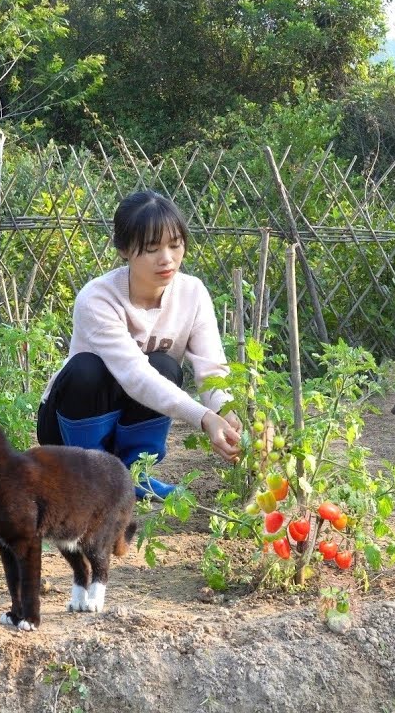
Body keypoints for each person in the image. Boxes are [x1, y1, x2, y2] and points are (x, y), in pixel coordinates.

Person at [36, 190, 243, 499]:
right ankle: (87, 476)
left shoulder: (193, 294)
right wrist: (202, 417)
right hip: (66, 425)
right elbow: (134, 376)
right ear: (123, 250)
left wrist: (226, 414)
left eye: (175, 245)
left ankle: (136, 474)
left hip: (128, 414)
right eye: (151, 249)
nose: (167, 259)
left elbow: (211, 369)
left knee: (164, 365)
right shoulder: (98, 298)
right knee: (87, 368)